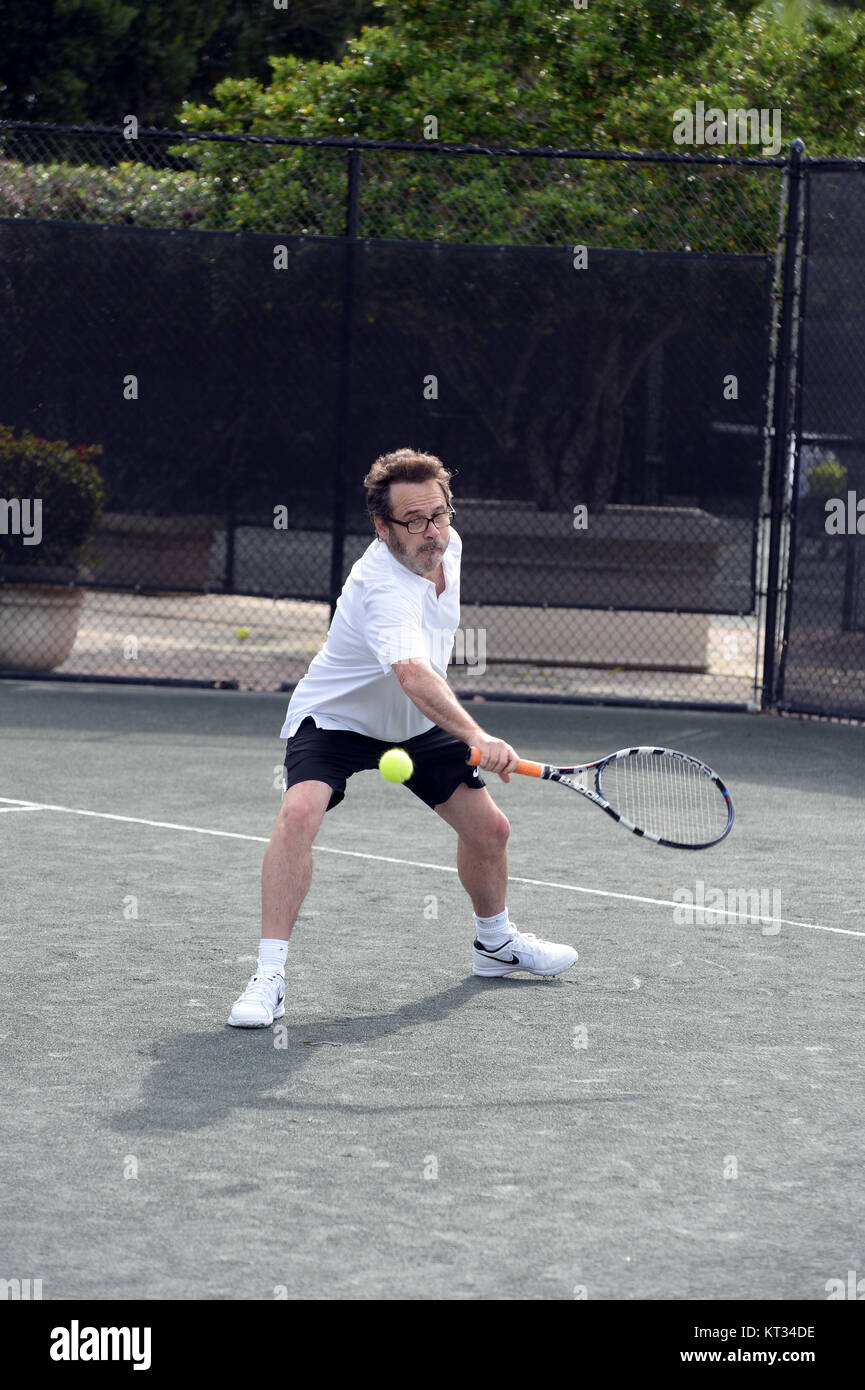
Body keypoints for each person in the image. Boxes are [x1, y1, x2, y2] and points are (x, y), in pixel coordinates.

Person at [228, 448, 577, 1027]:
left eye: (439, 515)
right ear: (382, 527)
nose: (431, 532)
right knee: (298, 816)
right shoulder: (380, 585)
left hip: (415, 725)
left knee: (490, 830)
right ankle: (269, 978)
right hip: (338, 719)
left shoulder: (448, 545)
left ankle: (495, 944)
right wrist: (477, 734)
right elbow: (413, 674)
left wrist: (460, 732)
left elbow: (421, 681)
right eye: (414, 522)